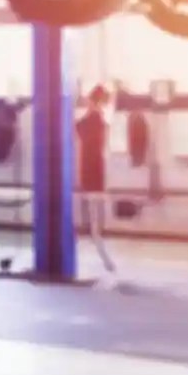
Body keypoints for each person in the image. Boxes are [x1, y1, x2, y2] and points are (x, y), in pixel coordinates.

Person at [76, 84, 116, 274]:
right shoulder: (95, 122)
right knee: (95, 224)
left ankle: (106, 260)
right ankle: (106, 260)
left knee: (96, 224)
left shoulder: (92, 122)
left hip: (93, 176)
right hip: (94, 177)